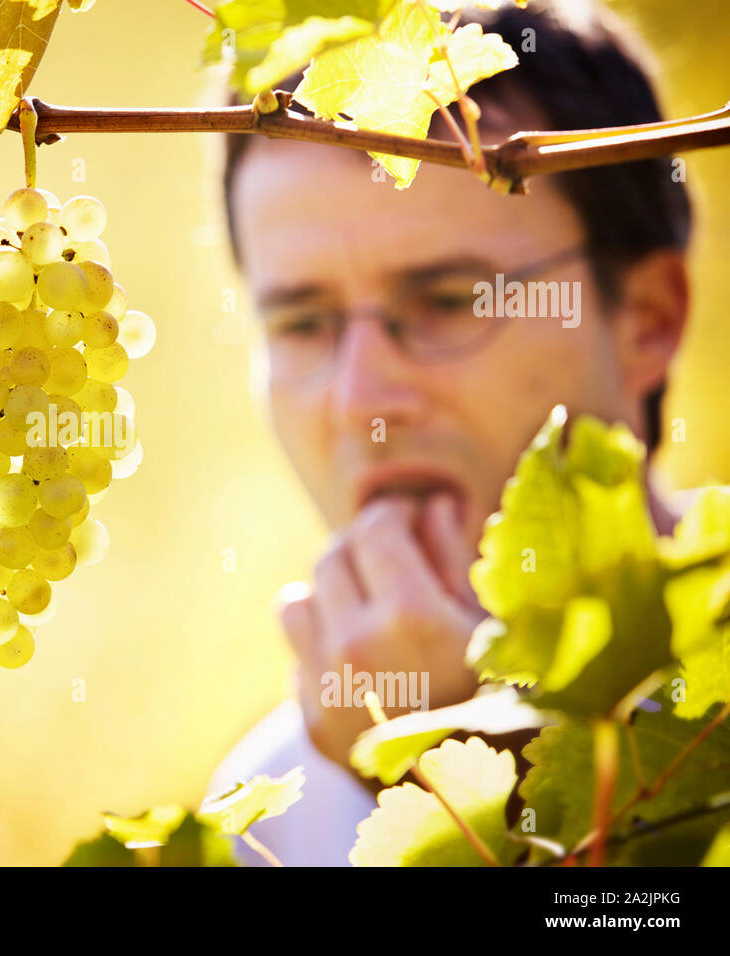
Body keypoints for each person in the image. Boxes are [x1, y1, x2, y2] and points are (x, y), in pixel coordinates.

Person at [207, 0, 693, 866]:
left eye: (447, 301)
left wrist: (455, 807)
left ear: (649, 318)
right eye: (304, 323)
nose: (360, 399)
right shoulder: (272, 812)